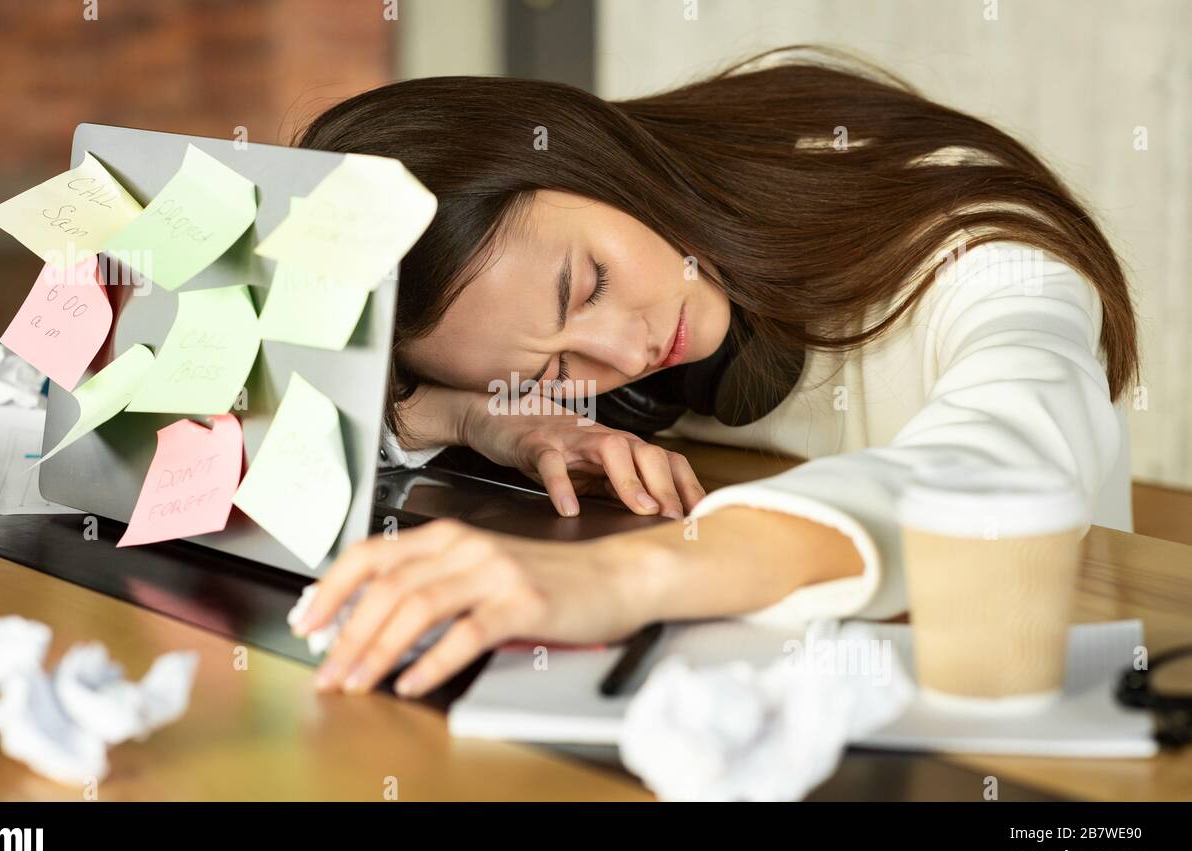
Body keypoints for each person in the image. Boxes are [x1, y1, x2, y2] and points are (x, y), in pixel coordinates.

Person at [289, 47, 1139, 699]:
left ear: (588, 156)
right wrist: (477, 418)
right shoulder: (617, 350)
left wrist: (620, 577)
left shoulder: (979, 249)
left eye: (590, 285)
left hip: (1019, 696)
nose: (623, 356)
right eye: (557, 366)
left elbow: (1008, 457)